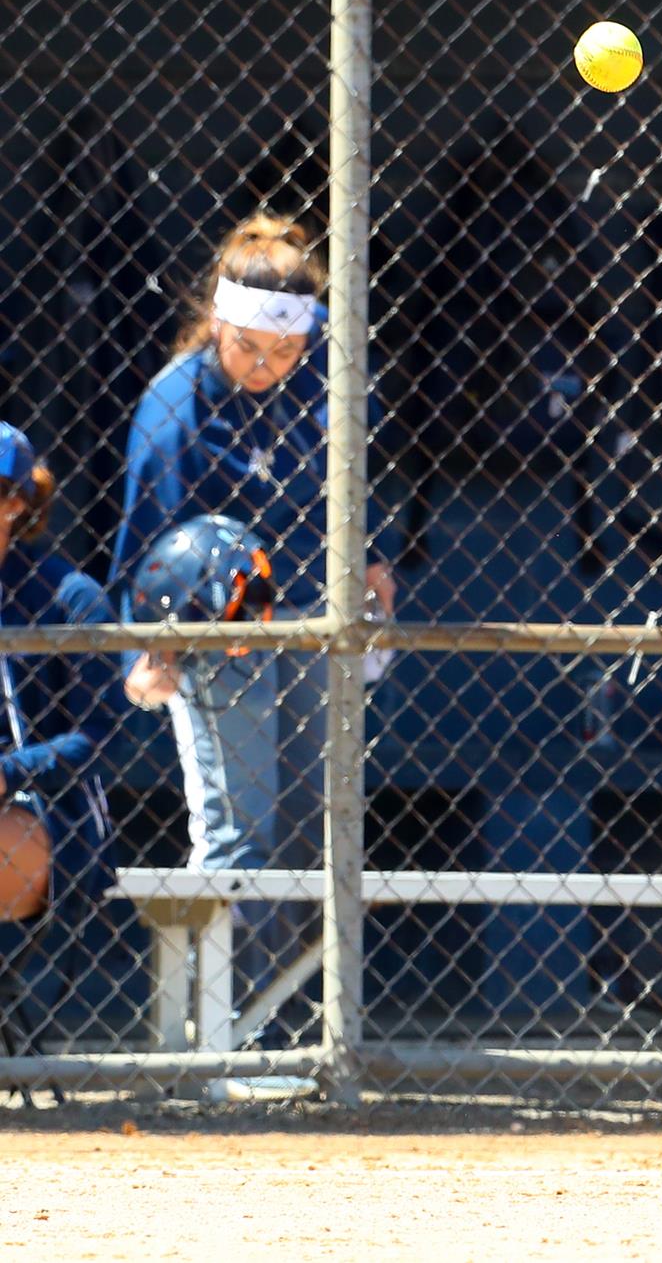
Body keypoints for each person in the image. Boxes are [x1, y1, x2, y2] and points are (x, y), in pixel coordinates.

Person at [113, 216, 396, 1067]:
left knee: (315, 824)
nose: (266, 367)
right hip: (221, 634)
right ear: (218, 325)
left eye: (283, 351)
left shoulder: (332, 385)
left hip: (315, 618)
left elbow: (360, 494)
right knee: (241, 825)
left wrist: (376, 569)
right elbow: (145, 542)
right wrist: (146, 647)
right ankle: (222, 1034)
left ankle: (280, 1024)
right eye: (247, 349)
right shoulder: (175, 404)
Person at [0, 424, 118, 1075]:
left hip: (53, 813)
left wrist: (10, 769)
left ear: (17, 502)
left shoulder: (68, 595)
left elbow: (96, 736)